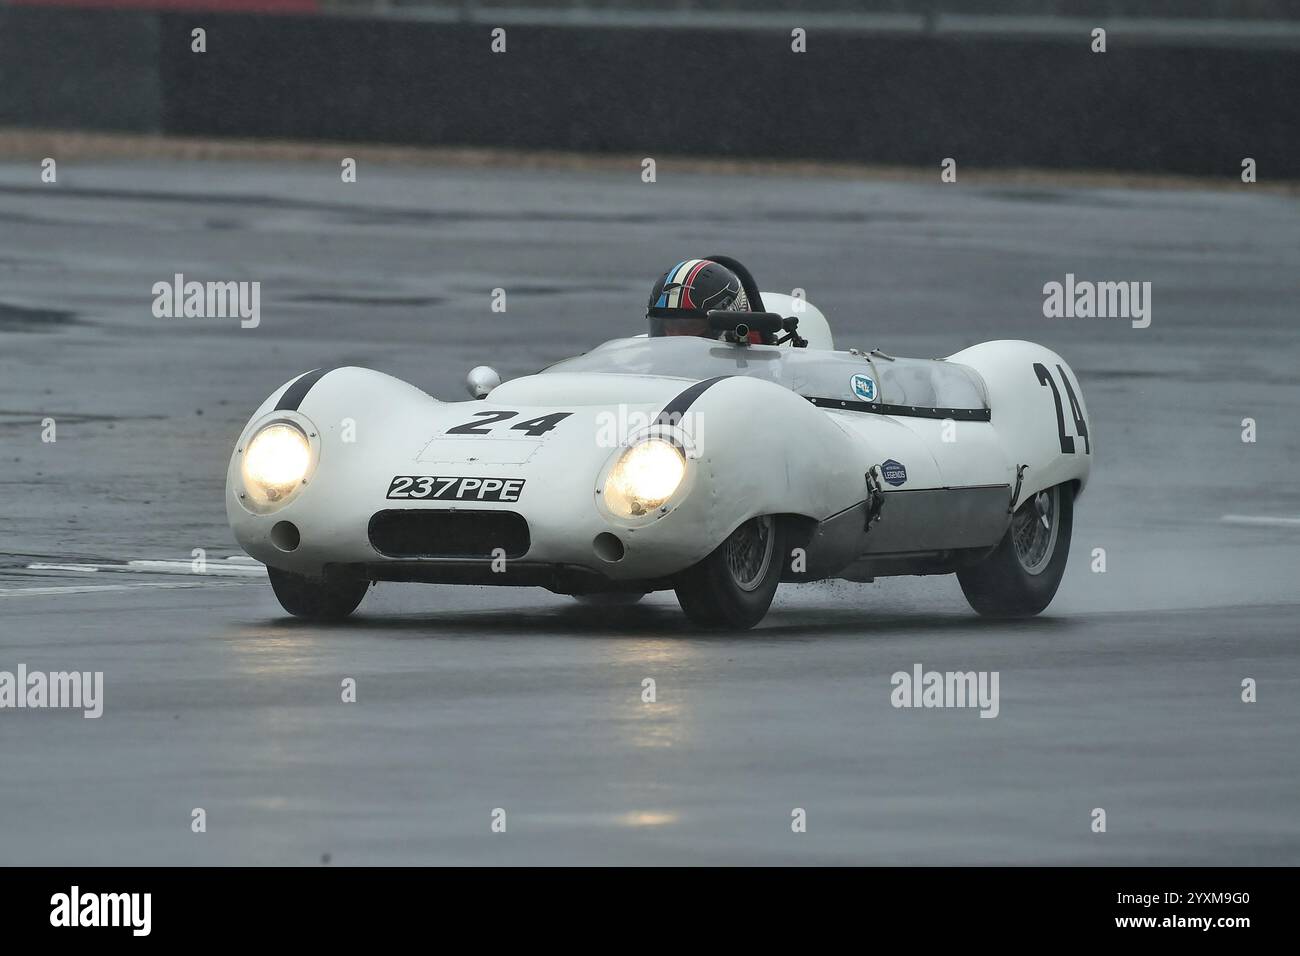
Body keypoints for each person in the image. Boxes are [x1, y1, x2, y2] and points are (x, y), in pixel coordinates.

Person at [646, 258, 752, 339]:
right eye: (671, 325)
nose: (677, 336)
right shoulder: (638, 363)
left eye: (691, 325)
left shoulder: (761, 363)